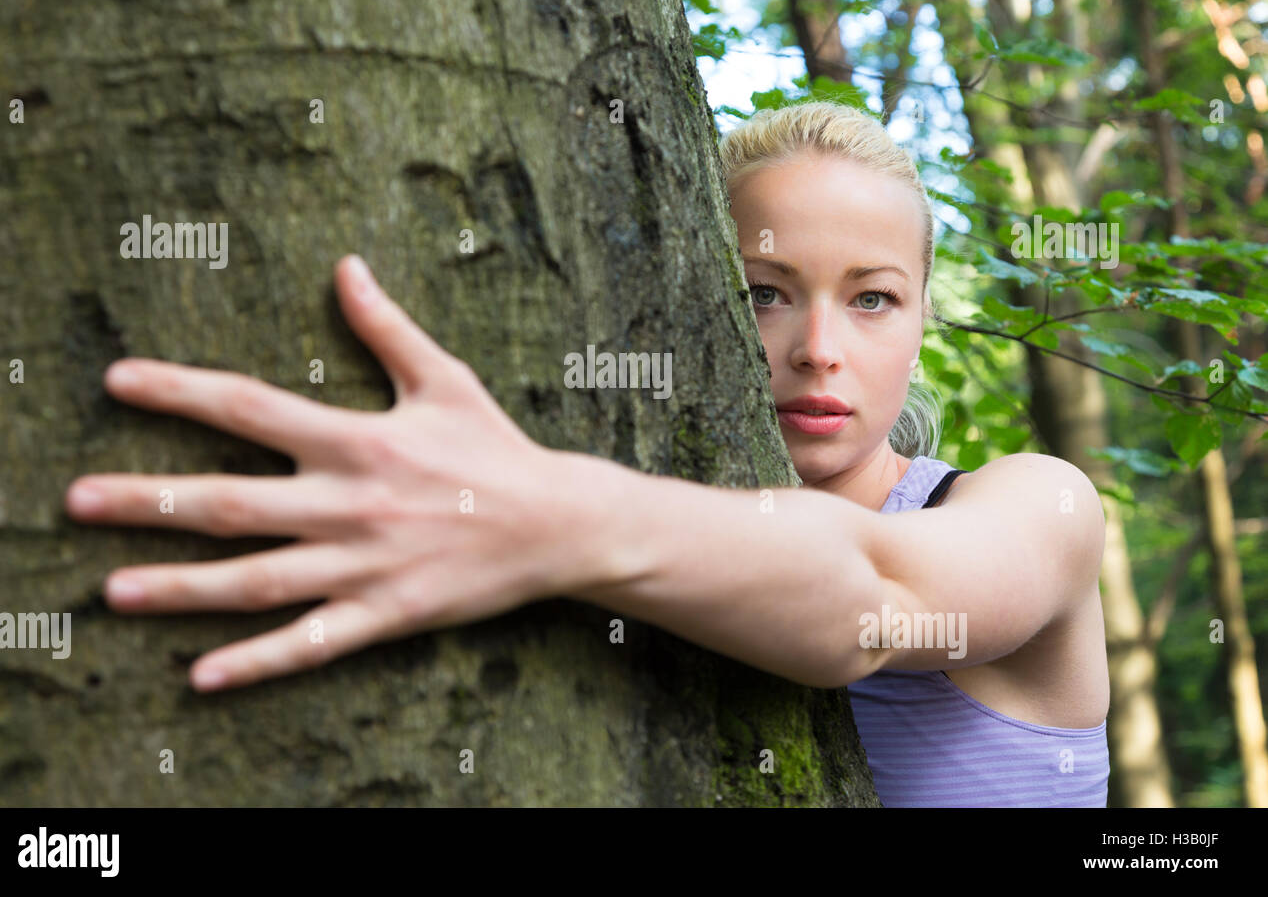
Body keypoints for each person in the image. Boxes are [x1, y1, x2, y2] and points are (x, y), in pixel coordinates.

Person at [64, 100, 1110, 806]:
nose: (818, 350)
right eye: (763, 292)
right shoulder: (670, 514)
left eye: (872, 296)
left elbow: (869, 597)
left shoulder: (1038, 506)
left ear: (923, 316)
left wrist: (524, 511)